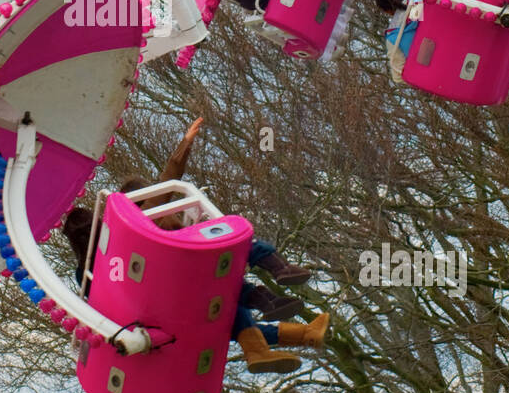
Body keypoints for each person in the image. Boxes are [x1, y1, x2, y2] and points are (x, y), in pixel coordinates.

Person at [61, 118, 328, 374]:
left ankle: (298, 332)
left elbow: (95, 303)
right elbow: (169, 179)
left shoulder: (87, 271)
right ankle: (277, 275)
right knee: (241, 248)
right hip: (181, 266)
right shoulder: (141, 220)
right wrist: (186, 142)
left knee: (227, 308)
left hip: (158, 305)